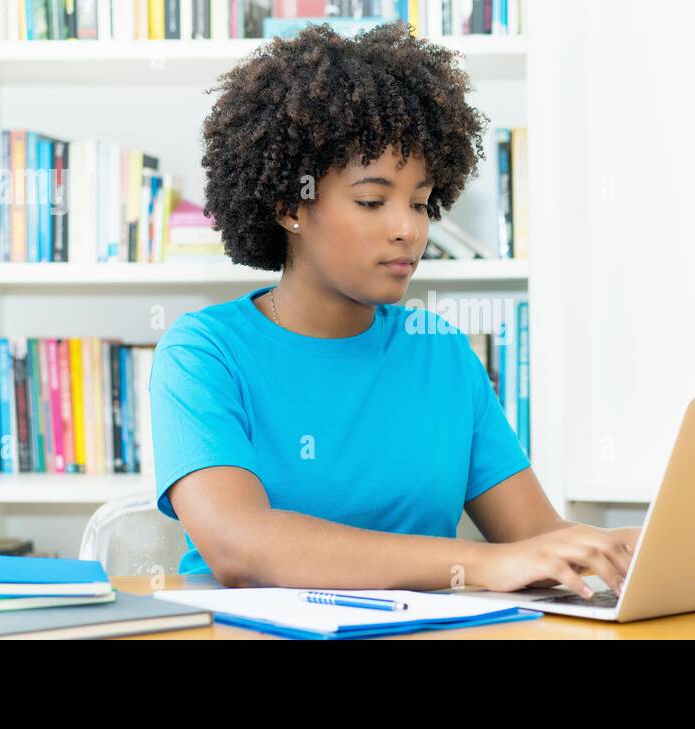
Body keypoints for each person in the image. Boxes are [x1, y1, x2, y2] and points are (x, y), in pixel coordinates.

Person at [150, 21, 638, 599]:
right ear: (290, 207)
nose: (408, 229)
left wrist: (630, 548)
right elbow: (240, 545)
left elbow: (536, 536)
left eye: (421, 203)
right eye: (371, 201)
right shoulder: (205, 353)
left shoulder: (441, 351)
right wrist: (480, 565)